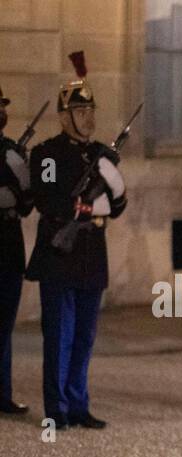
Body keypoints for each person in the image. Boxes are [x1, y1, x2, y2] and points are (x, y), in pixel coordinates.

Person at [26, 51, 128, 430]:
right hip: (59, 251)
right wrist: (89, 203)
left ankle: (78, 402)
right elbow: (49, 199)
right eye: (81, 112)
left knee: (84, 337)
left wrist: (115, 187)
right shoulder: (47, 154)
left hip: (91, 253)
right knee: (59, 337)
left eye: (91, 110)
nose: (89, 118)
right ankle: (57, 408)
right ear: (64, 116)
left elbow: (117, 207)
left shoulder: (101, 154)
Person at [0, 84, 35, 415]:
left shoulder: (12, 151)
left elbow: (27, 202)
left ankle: (3, 393)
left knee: (4, 324)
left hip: (7, 246)